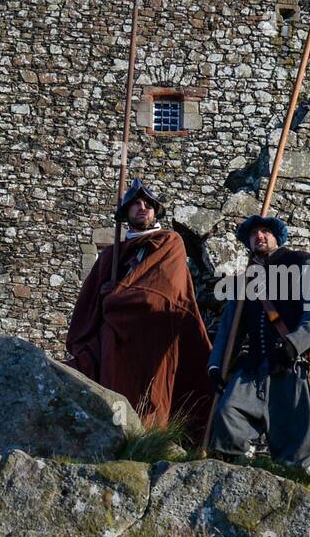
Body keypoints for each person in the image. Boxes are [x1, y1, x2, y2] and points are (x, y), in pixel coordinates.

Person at [66, 178, 213, 440]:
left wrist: (117, 296)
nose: (142, 207)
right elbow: (91, 304)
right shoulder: (112, 255)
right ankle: (119, 441)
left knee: (154, 393)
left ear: (156, 210)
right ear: (125, 214)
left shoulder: (169, 243)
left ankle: (152, 444)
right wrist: (107, 297)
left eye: (148, 204)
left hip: (154, 334)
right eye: (135, 204)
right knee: (117, 392)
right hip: (118, 338)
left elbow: (164, 291)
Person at [207, 215, 310, 471]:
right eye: (253, 234)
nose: (259, 236)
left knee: (296, 438)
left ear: (277, 237)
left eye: (265, 231)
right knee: (230, 411)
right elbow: (229, 330)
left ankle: (296, 486)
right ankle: (231, 471)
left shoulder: (302, 264)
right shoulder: (245, 282)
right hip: (255, 367)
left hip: (292, 365)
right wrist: (216, 366)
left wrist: (293, 345)